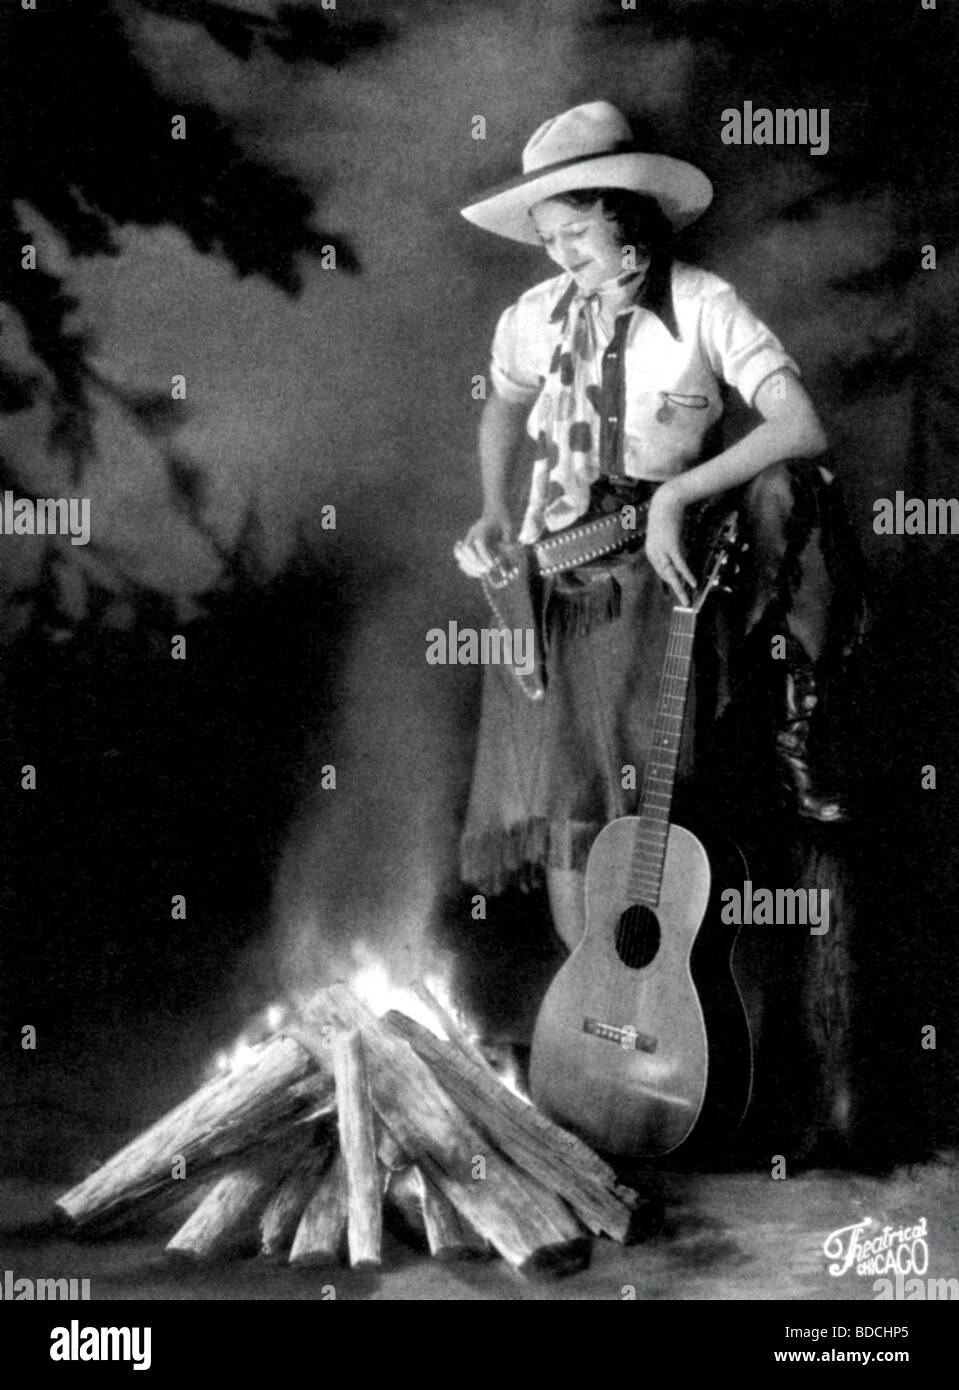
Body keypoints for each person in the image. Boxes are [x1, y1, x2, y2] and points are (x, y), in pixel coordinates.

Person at [454, 101, 863, 951]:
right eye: (547, 238)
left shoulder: (704, 303)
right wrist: (495, 505)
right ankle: (587, 998)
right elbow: (504, 404)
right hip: (557, 576)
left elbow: (798, 425)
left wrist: (675, 499)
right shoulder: (536, 316)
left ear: (625, 218)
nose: (558, 255)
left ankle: (800, 710)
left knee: (794, 487)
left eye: (573, 233)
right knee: (565, 804)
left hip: (669, 557)